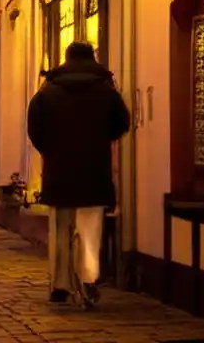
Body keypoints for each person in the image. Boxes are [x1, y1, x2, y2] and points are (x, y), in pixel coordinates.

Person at [27, 41, 130, 306]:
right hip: (94, 170)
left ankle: (60, 284)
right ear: (92, 58)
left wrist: (49, 149)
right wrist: (99, 141)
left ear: (66, 58)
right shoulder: (106, 89)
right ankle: (88, 280)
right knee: (90, 230)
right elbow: (121, 123)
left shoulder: (48, 90)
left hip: (59, 171)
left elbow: (35, 126)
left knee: (61, 229)